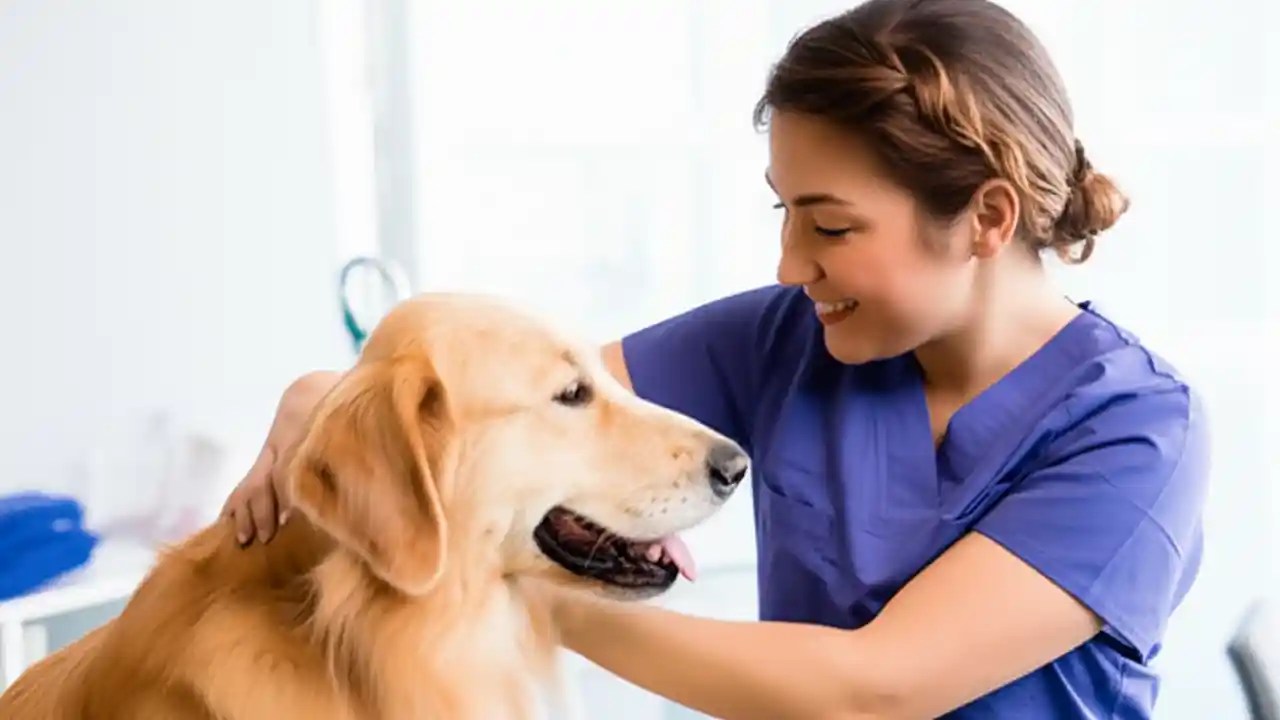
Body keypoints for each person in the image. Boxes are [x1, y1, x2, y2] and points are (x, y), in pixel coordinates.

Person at [223, 0, 1211, 717]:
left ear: (985, 217)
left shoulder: (1134, 433)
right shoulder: (786, 336)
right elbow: (514, 417)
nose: (789, 264)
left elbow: (879, 688)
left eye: (827, 225)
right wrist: (336, 403)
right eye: (782, 212)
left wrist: (501, 580)